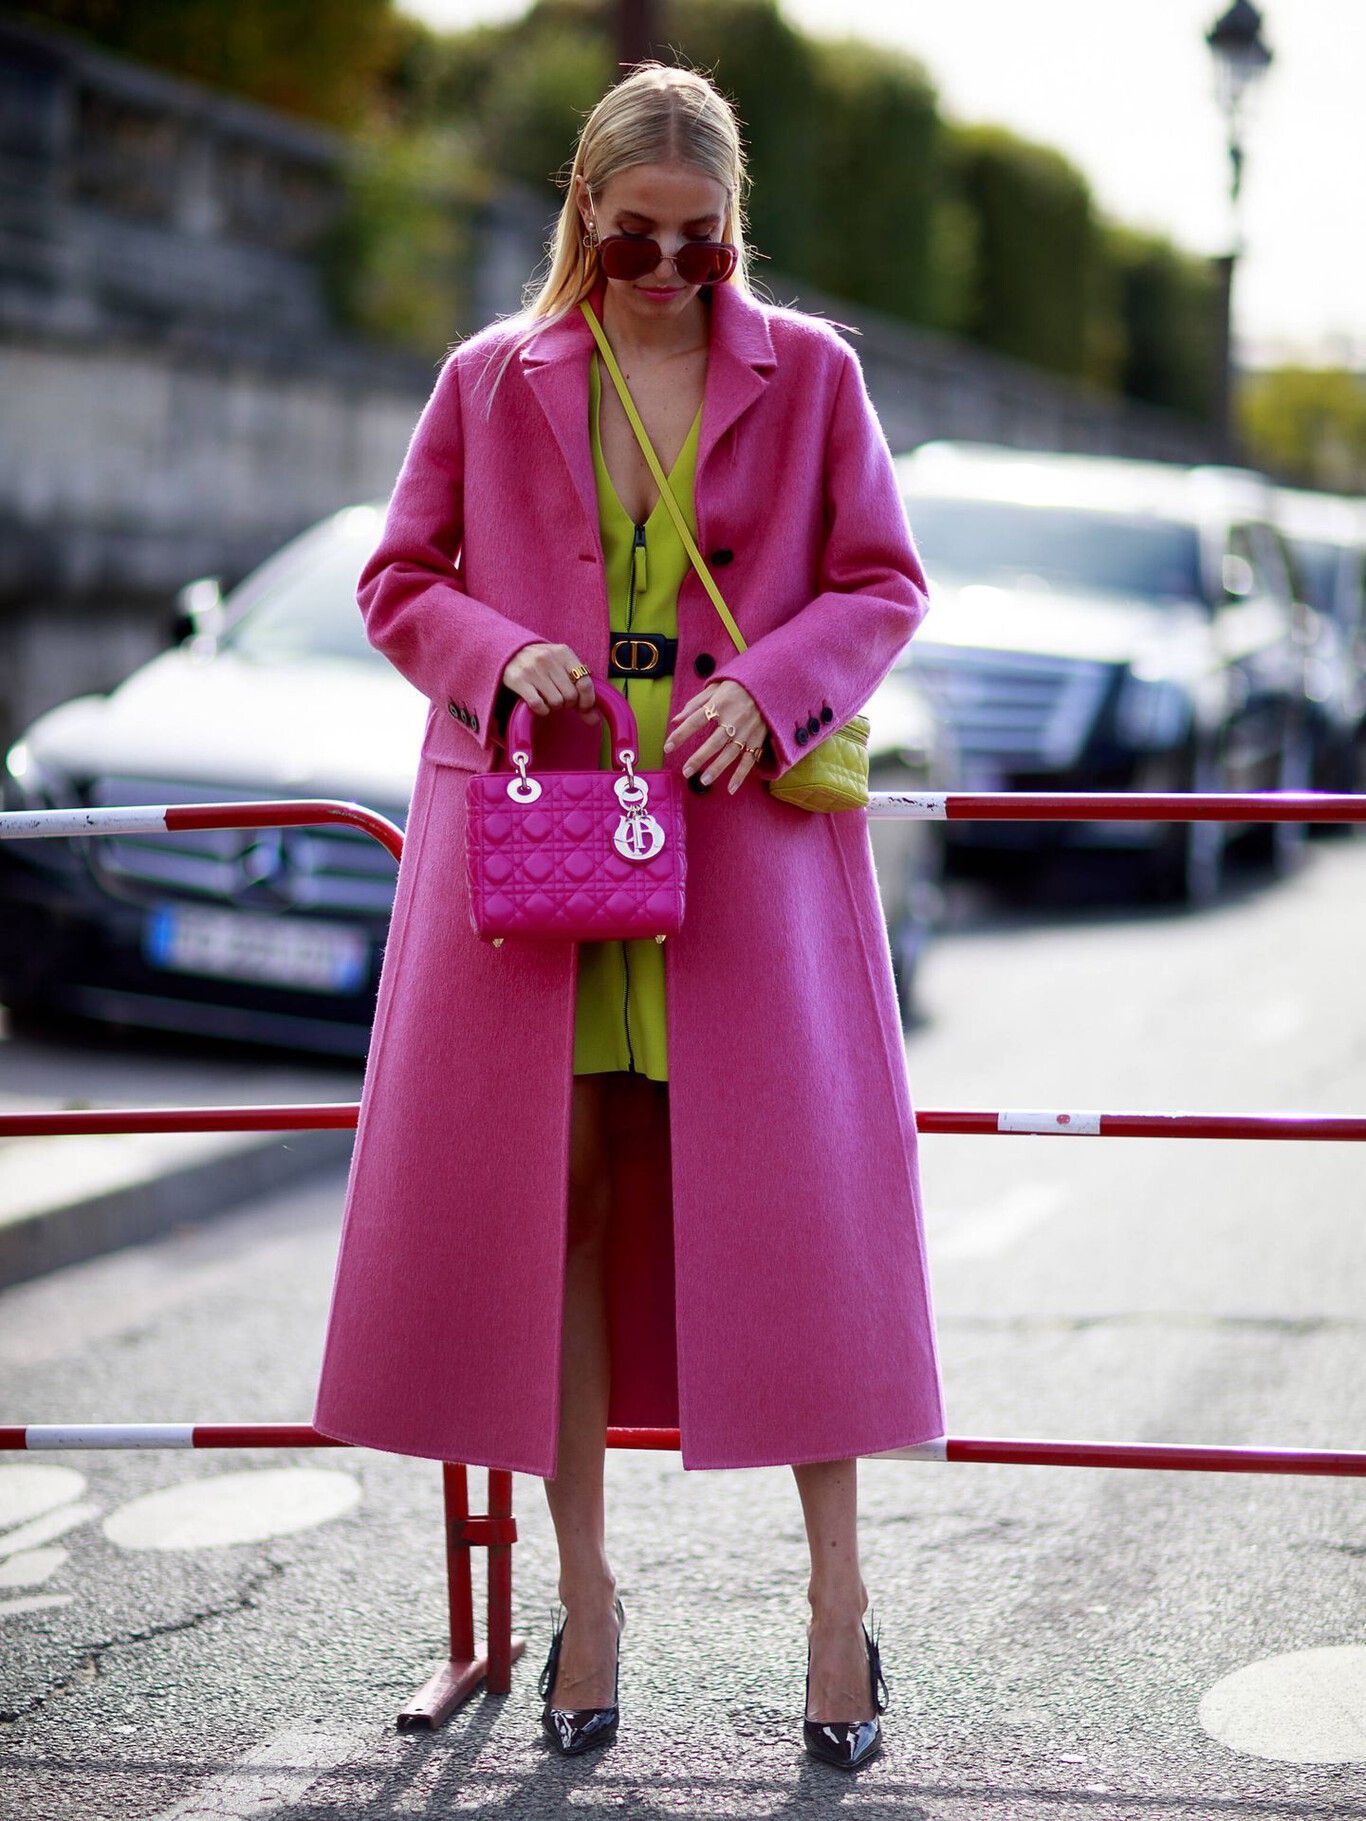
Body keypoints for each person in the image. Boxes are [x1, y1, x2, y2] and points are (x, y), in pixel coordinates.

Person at [313, 62, 944, 1772]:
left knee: (792, 1219)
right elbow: (398, 578)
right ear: (582, 210)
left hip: (743, 850)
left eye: (701, 244)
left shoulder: (812, 374)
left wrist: (773, 688)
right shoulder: (488, 376)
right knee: (565, 1212)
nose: (667, 272)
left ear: (736, 229)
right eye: (636, 239)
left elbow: (880, 583)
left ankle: (836, 1606)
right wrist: (498, 651)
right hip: (553, 848)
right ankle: (582, 1597)